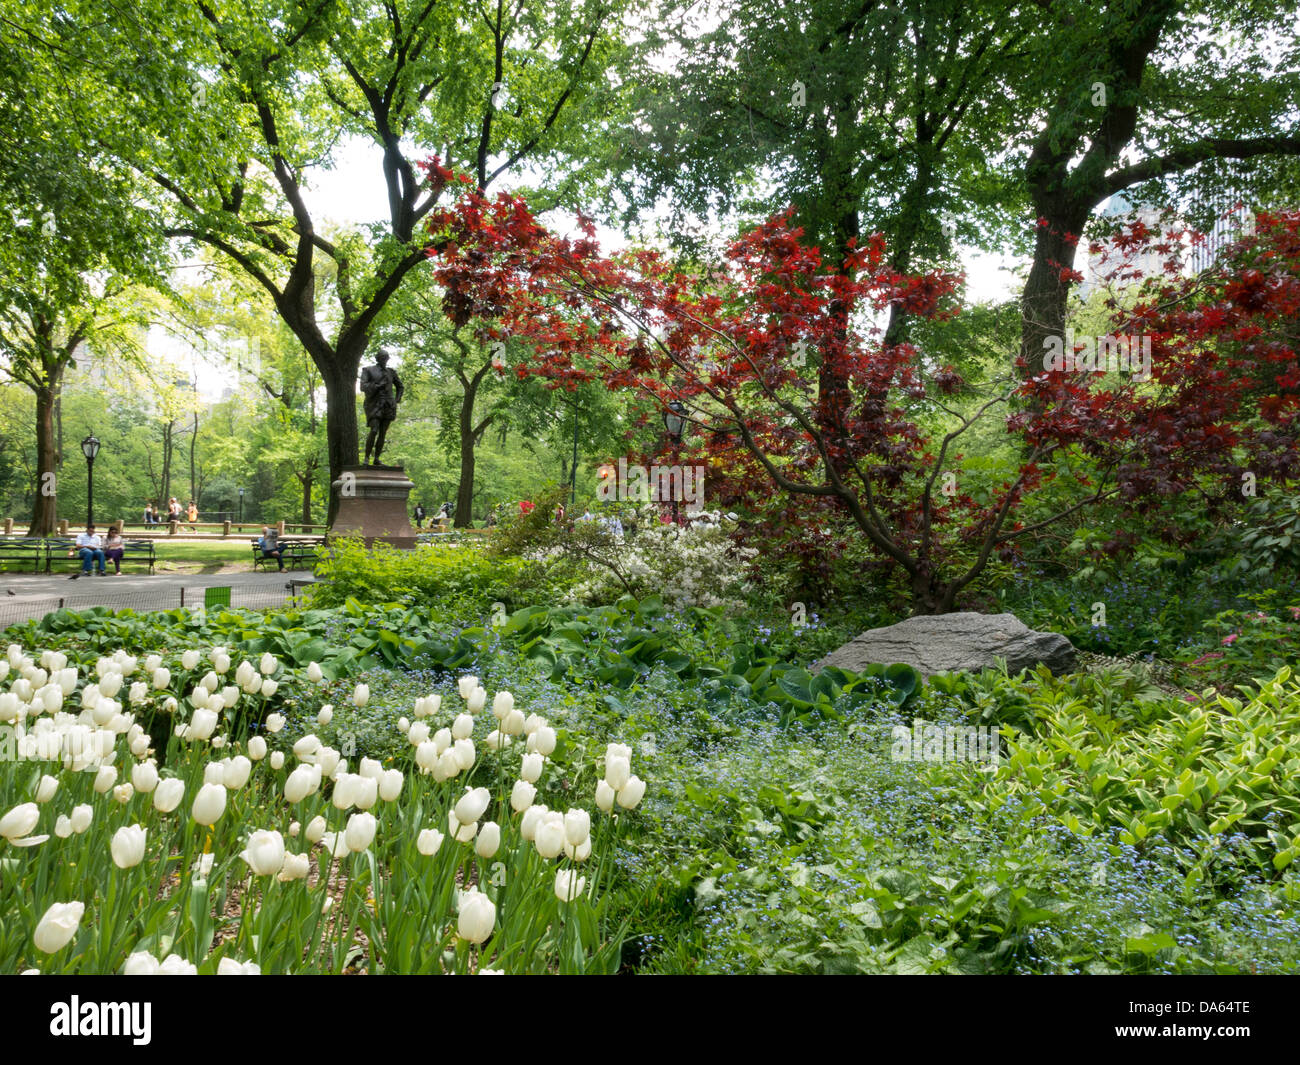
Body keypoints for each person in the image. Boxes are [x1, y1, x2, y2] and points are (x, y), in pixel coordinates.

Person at [359, 348, 403, 465]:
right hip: (374, 405)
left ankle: (377, 458)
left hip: (388, 406)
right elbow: (363, 386)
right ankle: (367, 458)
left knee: (383, 433)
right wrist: (377, 386)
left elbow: (400, 386)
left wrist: (396, 400)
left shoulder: (391, 372)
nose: (385, 360)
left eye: (386, 358)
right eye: (383, 358)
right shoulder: (368, 370)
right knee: (374, 430)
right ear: (378, 359)